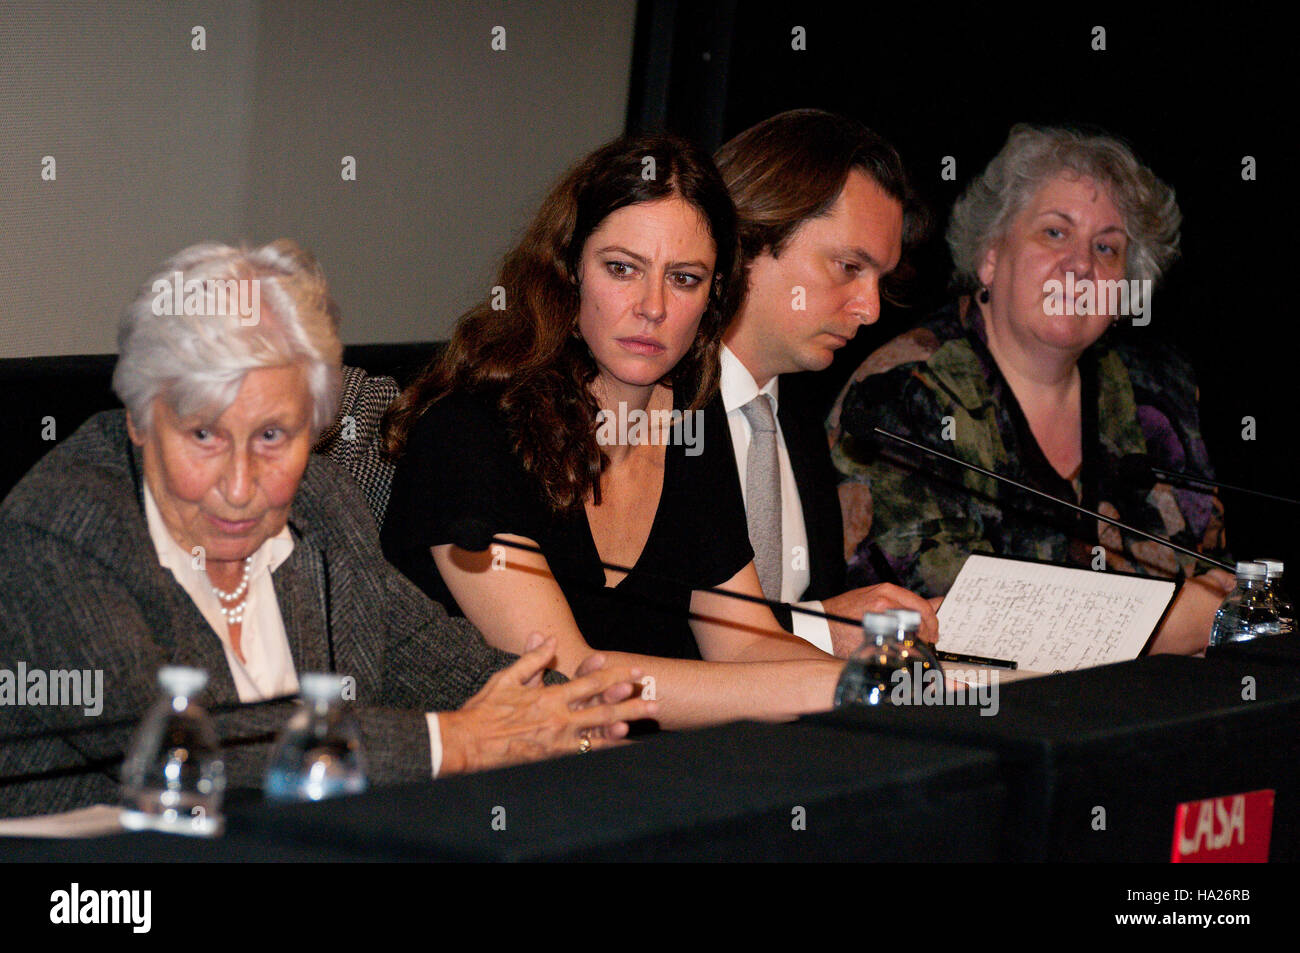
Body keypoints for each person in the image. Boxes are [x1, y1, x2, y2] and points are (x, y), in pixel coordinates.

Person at [0, 240, 653, 819]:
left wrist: (574, 720)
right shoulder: (60, 527)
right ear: (141, 419)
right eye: (203, 433)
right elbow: (168, 736)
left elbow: (435, 657)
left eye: (273, 436)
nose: (238, 482)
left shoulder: (320, 500)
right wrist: (456, 742)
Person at [382, 135, 843, 729]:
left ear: (714, 298)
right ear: (568, 271)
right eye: (622, 269)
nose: (652, 306)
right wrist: (815, 690)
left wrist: (877, 688)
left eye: (684, 279)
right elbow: (569, 679)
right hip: (488, 790)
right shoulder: (467, 432)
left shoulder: (689, 421)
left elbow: (747, 642)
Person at [829, 124, 1231, 654]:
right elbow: (942, 620)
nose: (1082, 265)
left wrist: (1201, 614)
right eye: (1055, 233)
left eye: (1106, 248)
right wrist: (1174, 622)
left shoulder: (1157, 387)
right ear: (991, 256)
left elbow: (1218, 583)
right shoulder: (903, 391)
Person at [710, 109, 939, 656]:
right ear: (751, 233)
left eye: (880, 279)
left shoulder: (798, 418)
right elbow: (630, 635)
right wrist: (819, 628)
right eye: (847, 267)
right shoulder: (644, 408)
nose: (870, 309)